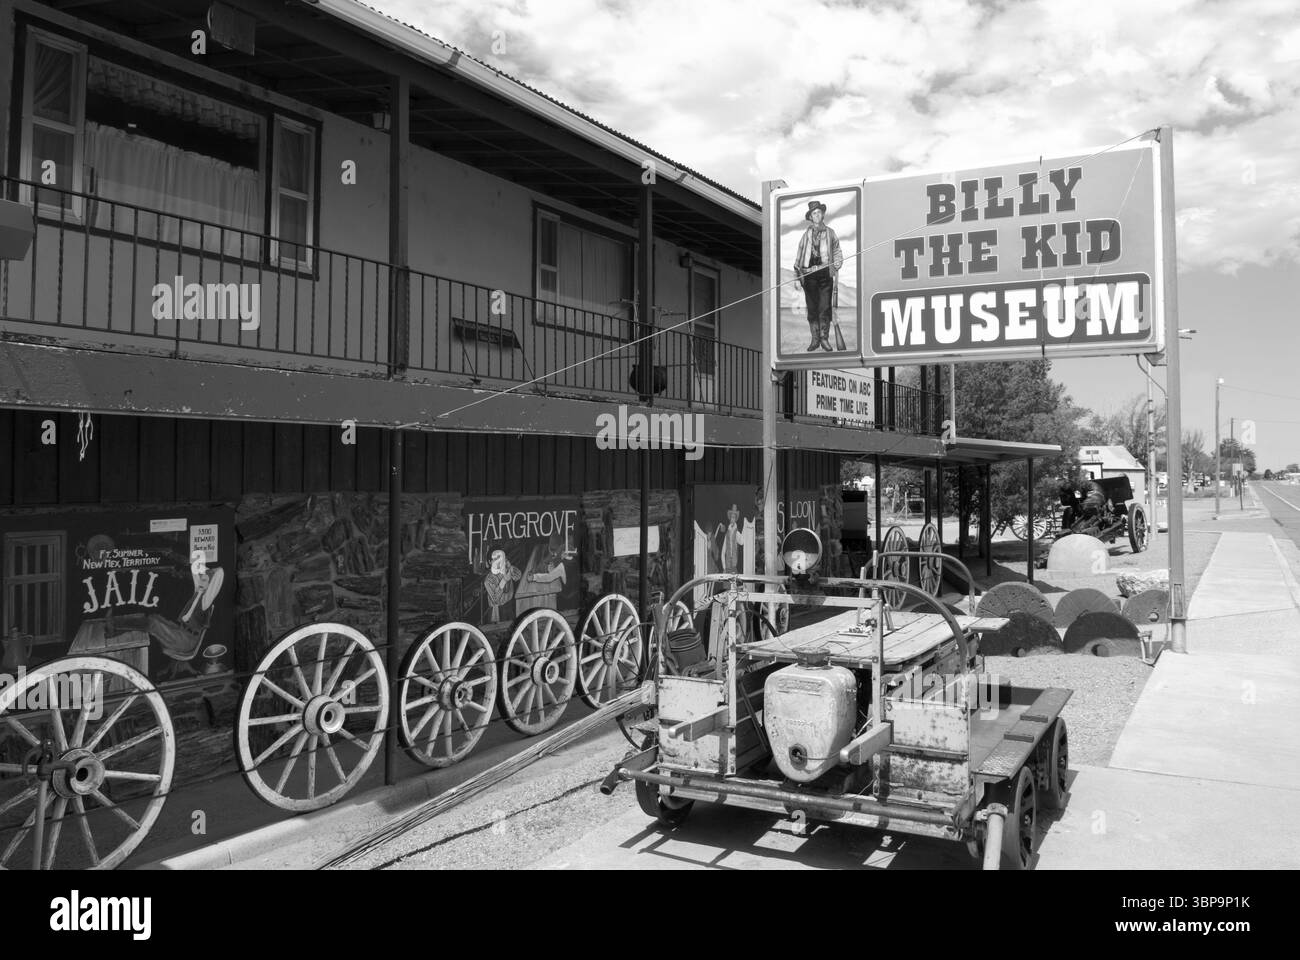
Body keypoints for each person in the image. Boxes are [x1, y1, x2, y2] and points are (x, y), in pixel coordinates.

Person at [793, 200, 844, 351]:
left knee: (824, 308)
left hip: (824, 274)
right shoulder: (806, 235)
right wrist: (797, 272)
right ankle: (815, 339)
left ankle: (824, 339)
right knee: (812, 309)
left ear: (822, 215)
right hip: (809, 276)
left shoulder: (830, 233)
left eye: (818, 213)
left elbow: (836, 251)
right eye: (813, 213)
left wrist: (837, 263)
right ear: (811, 217)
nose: (816, 215)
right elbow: (800, 253)